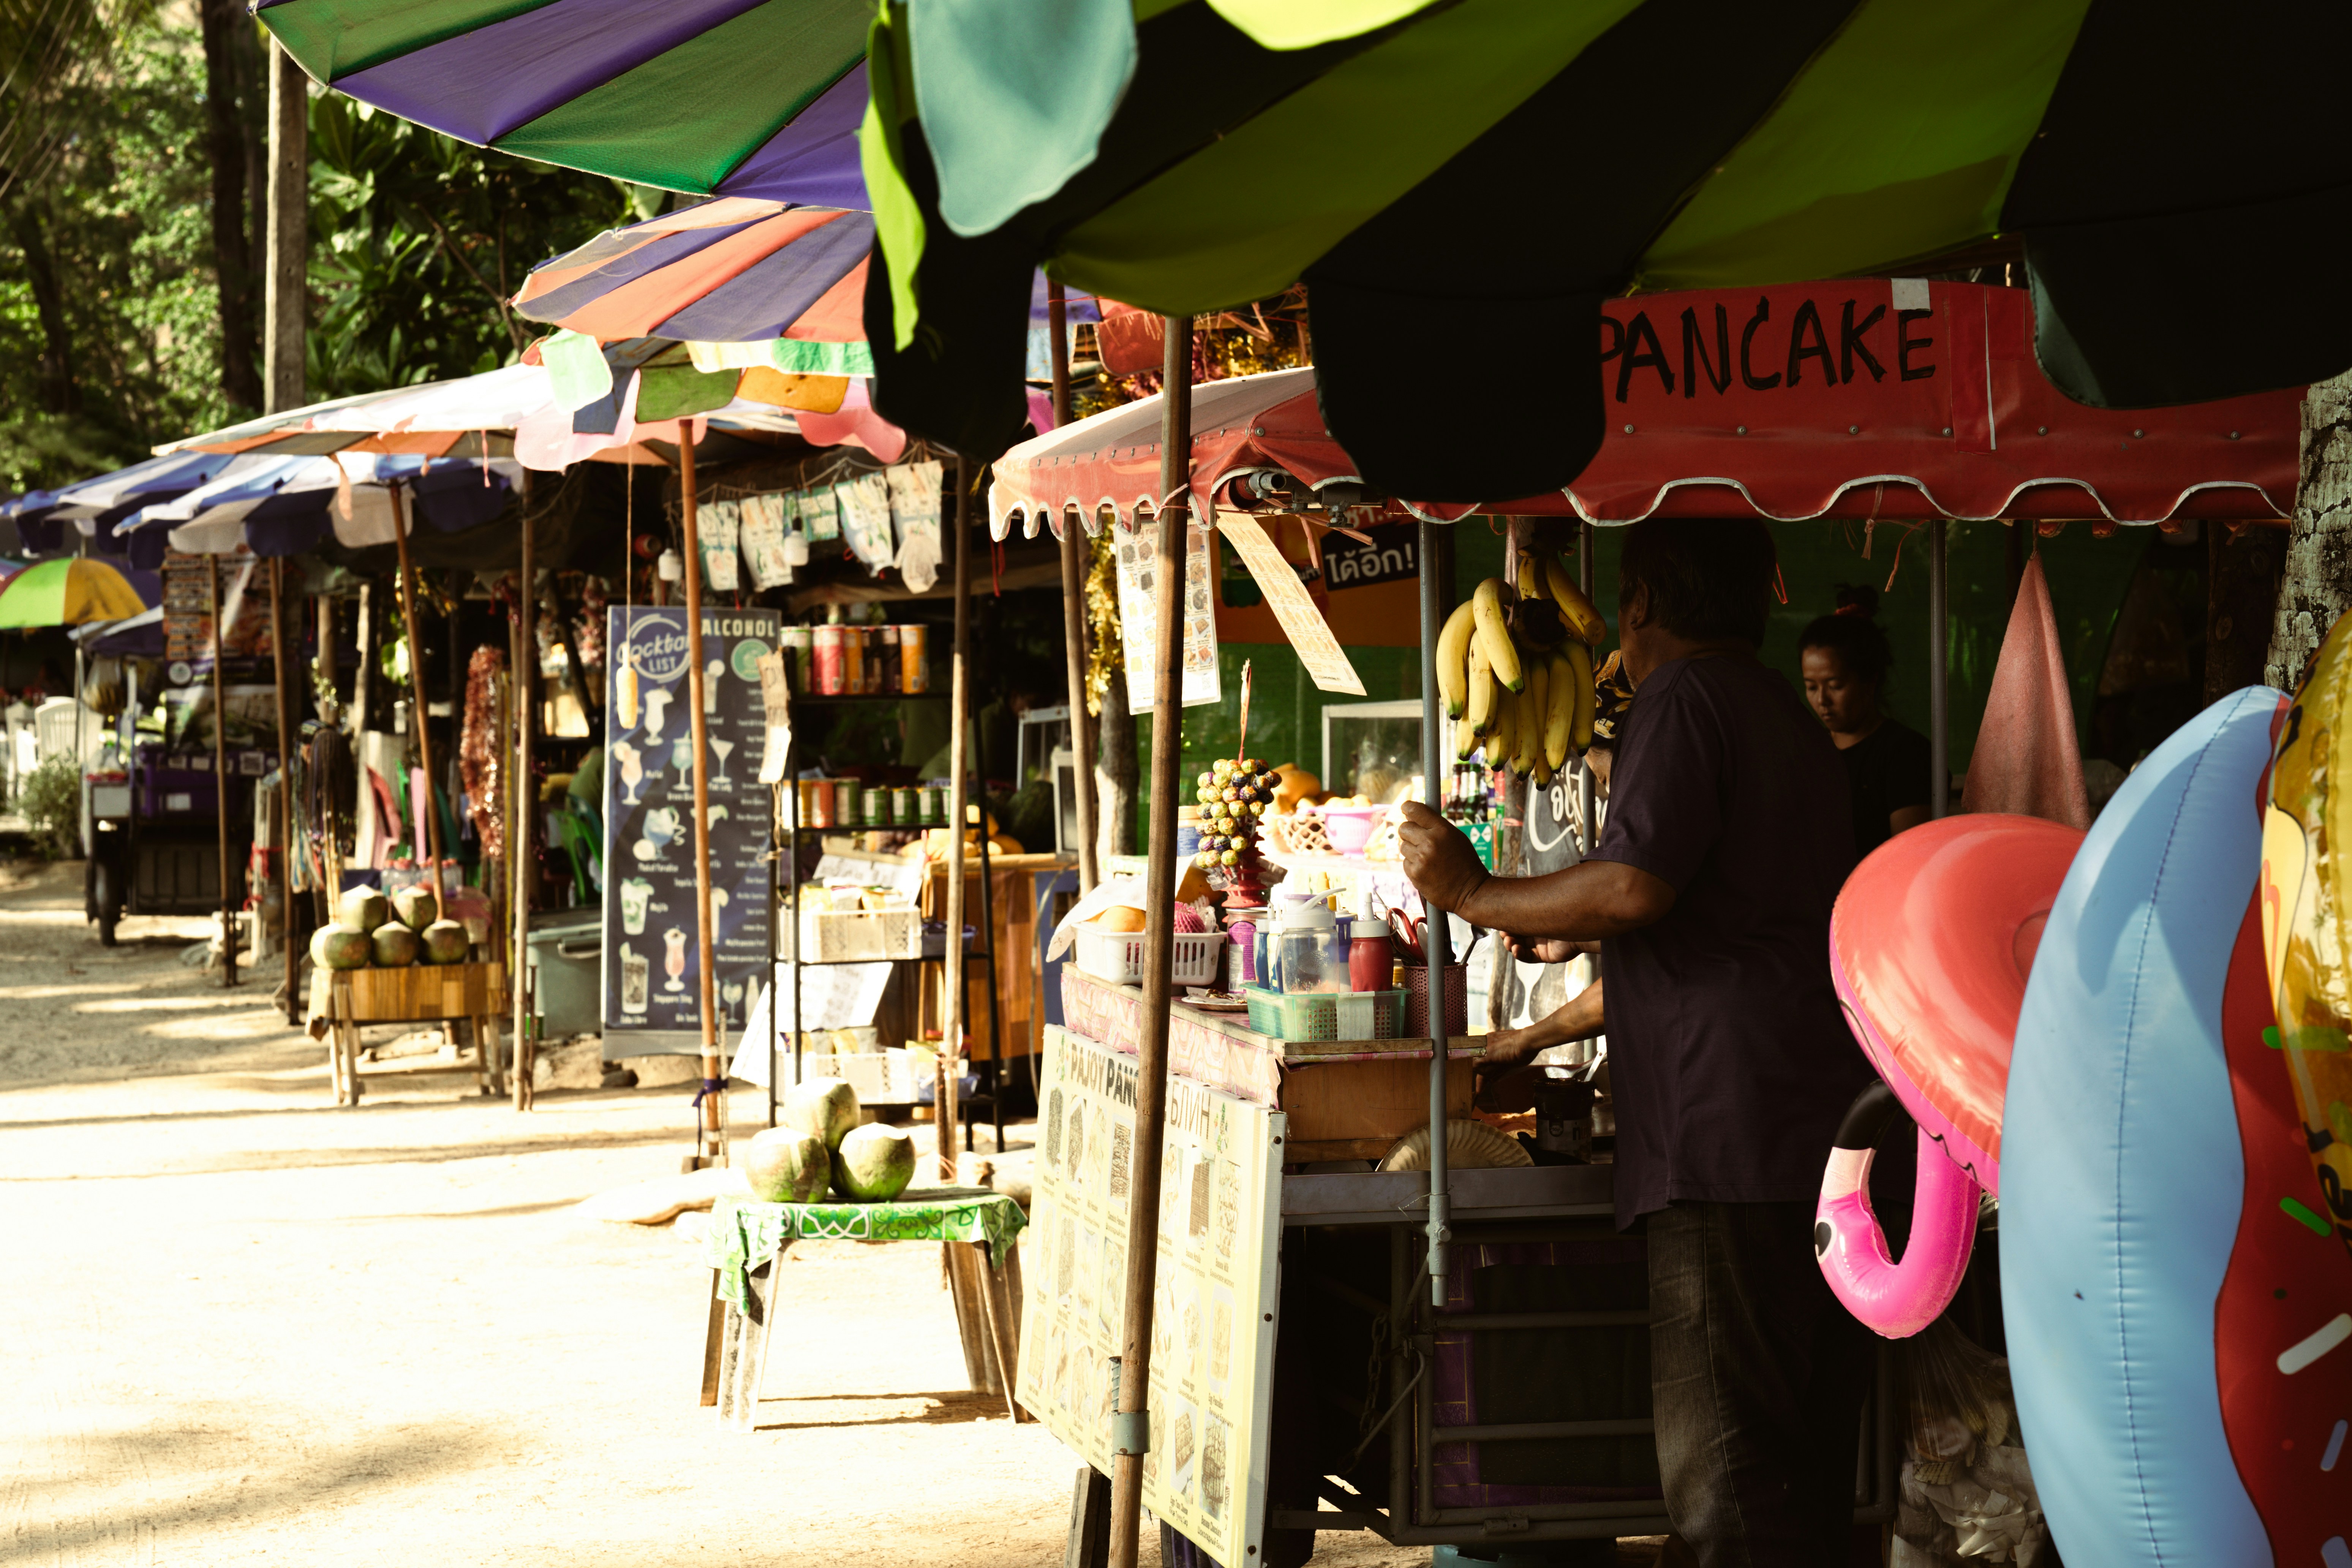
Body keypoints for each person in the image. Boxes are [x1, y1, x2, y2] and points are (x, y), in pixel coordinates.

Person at [1400, 519, 1873, 1566]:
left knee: (1729, 1479)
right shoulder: (1784, 720)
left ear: (1643, 604)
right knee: (1804, 1470)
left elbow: (1634, 888)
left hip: (1723, 1145)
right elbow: (1701, 932)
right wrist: (1537, 1002)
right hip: (1812, 1135)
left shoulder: (1684, 699)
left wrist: (1473, 890)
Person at [1799, 585, 1932, 858]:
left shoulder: (1905, 753)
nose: (1822, 700)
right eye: (1811, 687)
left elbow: (1909, 857)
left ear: (1869, 681)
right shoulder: (1807, 752)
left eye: (1835, 686)